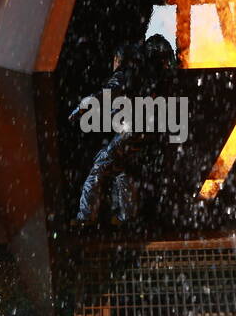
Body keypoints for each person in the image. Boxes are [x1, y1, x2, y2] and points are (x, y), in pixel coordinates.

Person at [73, 33, 175, 227]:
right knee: (122, 171)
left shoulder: (124, 75)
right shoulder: (147, 77)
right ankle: (127, 218)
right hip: (143, 133)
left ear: (119, 59)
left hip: (131, 132)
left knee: (99, 168)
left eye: (115, 59)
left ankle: (86, 218)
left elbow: (107, 93)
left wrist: (83, 106)